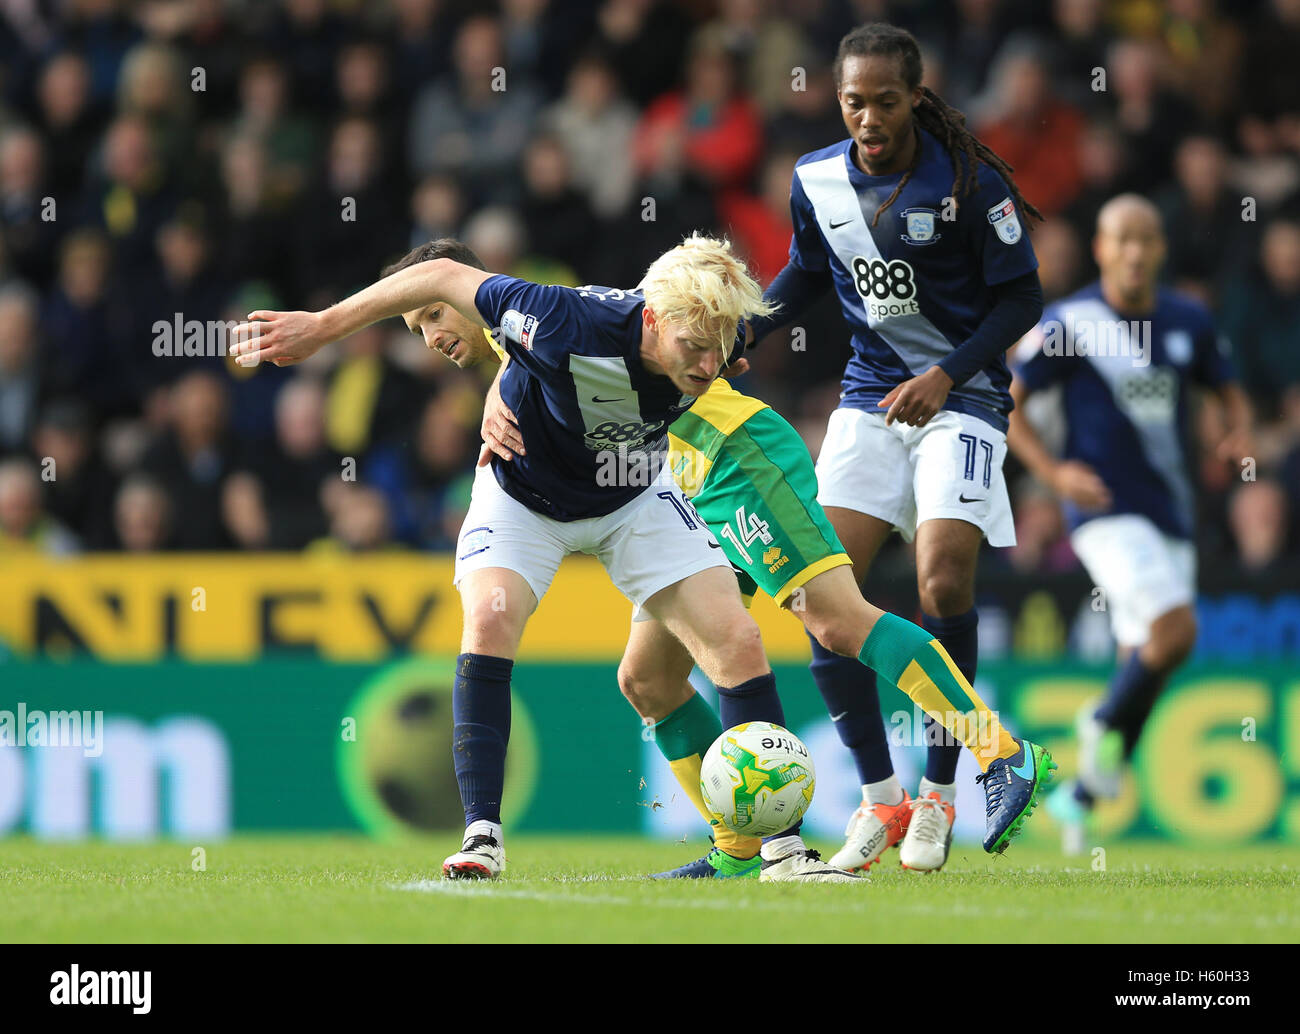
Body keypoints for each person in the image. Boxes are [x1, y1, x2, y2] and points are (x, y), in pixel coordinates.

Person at [391, 238, 1055, 879]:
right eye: (415, 325)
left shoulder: (570, 312)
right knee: (647, 679)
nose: (429, 336)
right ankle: (739, 845)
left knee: (834, 619)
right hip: (672, 482)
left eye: (431, 313)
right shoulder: (523, 351)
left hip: (736, 459)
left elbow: (638, 312)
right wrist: (496, 393)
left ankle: (1001, 752)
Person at [230, 233, 863, 883]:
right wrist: (323, 327)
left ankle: (784, 852)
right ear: (651, 318)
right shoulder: (565, 320)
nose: (704, 368)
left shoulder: (702, 329)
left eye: (716, 352)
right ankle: (482, 836)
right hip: (522, 496)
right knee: (489, 623)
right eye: (695, 351)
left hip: (635, 496)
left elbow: (765, 304)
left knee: (737, 639)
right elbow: (445, 275)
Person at [742, 22, 1050, 871]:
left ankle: (942, 799)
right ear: (836, 99)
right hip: (870, 397)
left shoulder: (971, 181)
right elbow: (809, 271)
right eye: (853, 102)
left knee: (941, 575)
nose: (868, 118)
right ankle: (882, 800)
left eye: (884, 101)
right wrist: (746, 329)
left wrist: (949, 376)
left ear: (916, 95)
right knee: (818, 592)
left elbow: (1021, 300)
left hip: (966, 398)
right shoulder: (814, 178)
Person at [1007, 194, 1253, 853]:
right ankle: (1100, 721)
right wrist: (1055, 476)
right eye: (1123, 240)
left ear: (1161, 248)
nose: (1135, 252)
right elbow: (1011, 404)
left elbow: (1228, 389)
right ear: (1101, 250)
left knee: (1147, 655)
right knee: (1177, 630)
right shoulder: (1070, 322)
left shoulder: (1188, 320)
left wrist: (1238, 434)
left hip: (1171, 512)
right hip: (1103, 511)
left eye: (1146, 238)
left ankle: (1081, 798)